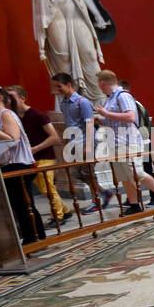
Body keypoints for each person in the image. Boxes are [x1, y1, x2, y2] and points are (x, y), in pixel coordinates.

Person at [0, 85, 46, 243]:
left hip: (19, 163)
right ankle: (30, 237)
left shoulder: (6, 114)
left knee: (24, 204)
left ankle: (36, 237)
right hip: (7, 164)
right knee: (17, 204)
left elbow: (12, 140)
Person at [93, 70, 154, 214]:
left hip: (128, 141)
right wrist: (102, 120)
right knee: (124, 177)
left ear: (102, 84)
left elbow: (130, 117)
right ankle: (134, 205)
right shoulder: (110, 99)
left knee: (137, 172)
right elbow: (116, 119)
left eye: (99, 85)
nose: (99, 87)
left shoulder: (123, 96)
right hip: (116, 143)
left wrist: (106, 114)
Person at [6, 85, 69, 228]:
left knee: (47, 187)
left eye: (11, 97)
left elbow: (55, 138)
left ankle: (58, 216)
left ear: (22, 98)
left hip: (44, 156)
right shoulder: (13, 117)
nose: (8, 101)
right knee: (43, 188)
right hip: (30, 158)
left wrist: (35, 149)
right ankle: (64, 210)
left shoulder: (37, 115)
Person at [52, 72, 105, 214]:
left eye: (59, 86)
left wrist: (88, 146)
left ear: (68, 85)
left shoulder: (82, 102)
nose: (57, 90)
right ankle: (103, 193)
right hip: (73, 142)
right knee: (77, 173)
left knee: (88, 172)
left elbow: (89, 124)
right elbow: (67, 122)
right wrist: (65, 141)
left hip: (86, 141)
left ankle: (97, 201)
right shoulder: (63, 103)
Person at [119, 79, 154, 205]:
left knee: (144, 171)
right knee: (135, 171)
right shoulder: (136, 103)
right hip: (141, 140)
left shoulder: (133, 104)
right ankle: (135, 198)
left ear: (125, 90)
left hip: (141, 141)